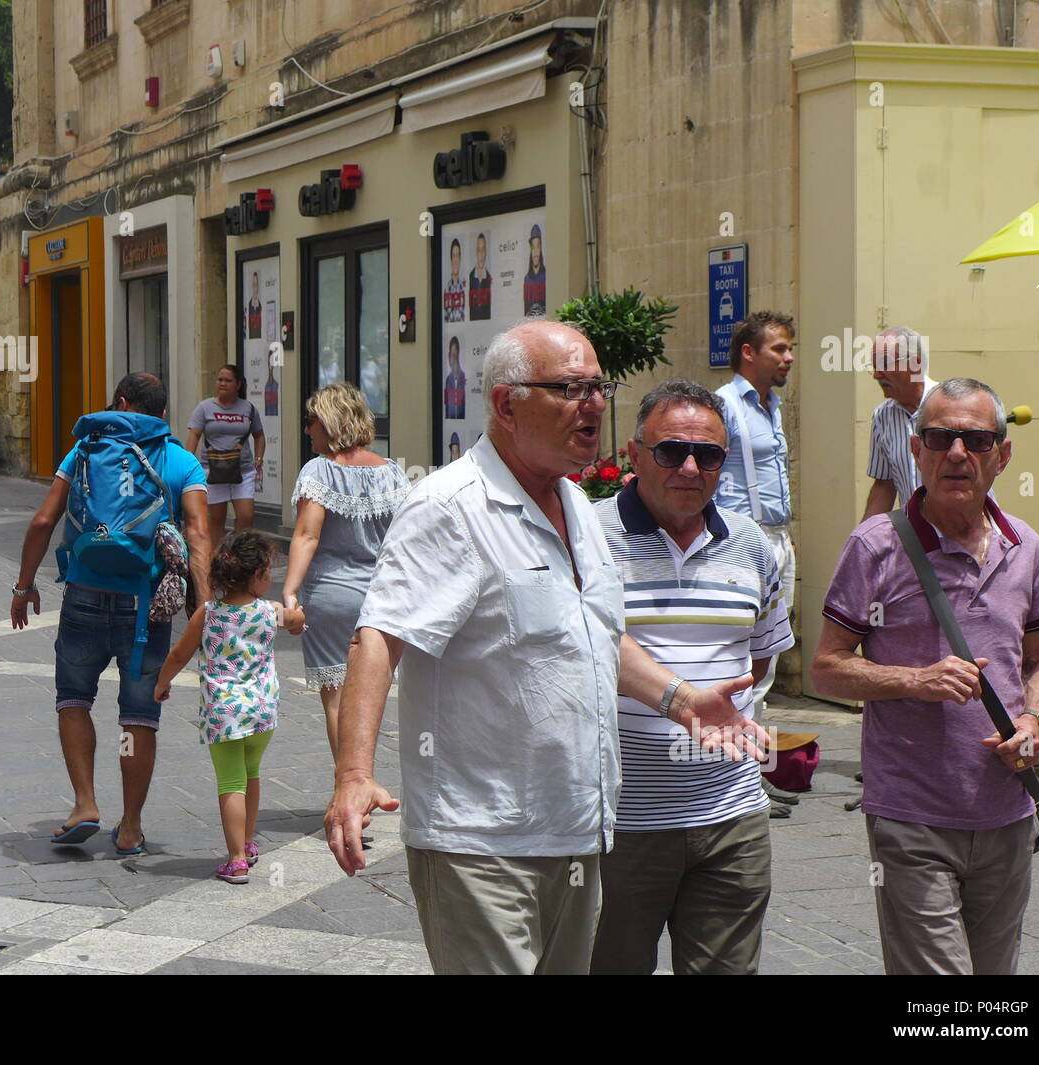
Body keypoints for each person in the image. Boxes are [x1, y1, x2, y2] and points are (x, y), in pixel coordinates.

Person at [324, 320, 768, 975]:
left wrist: (681, 699)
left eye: (598, 387)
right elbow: (379, 636)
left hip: (579, 834)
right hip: (480, 842)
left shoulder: (578, 507)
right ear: (507, 404)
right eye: (569, 388)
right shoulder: (451, 505)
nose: (593, 403)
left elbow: (594, 641)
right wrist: (353, 774)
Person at [811, 378, 1039, 976]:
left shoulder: (1025, 547)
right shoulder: (874, 546)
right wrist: (912, 680)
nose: (956, 453)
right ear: (916, 450)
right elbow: (826, 668)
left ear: (1002, 454)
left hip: (1006, 812)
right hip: (912, 815)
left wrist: (1031, 719)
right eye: (940, 437)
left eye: (975, 439)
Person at [589, 380, 793, 975]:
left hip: (731, 819)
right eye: (670, 451)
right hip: (619, 823)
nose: (689, 467)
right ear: (633, 454)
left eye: (707, 455)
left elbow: (758, 659)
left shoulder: (752, 545)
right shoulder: (589, 538)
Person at [10, 372, 212, 855]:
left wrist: (23, 586)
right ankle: (131, 827)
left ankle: (84, 803)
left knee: (74, 699)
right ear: (162, 411)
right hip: (146, 608)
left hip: (83, 592)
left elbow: (43, 520)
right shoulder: (181, 460)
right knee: (138, 715)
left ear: (121, 402)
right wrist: (205, 607)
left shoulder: (83, 451)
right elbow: (199, 533)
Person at [155, 532, 305, 884]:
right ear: (256, 579)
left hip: (224, 714)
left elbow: (179, 654)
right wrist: (298, 616)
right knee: (251, 773)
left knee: (231, 781)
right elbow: (296, 622)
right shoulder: (271, 612)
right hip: (263, 712)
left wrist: (162, 682)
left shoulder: (207, 615)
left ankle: (236, 859)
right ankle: (248, 843)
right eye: (268, 572)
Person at [281, 382, 410, 758]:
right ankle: (363, 778)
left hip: (331, 597)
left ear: (331, 422)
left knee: (336, 700)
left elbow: (307, 534)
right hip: (382, 598)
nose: (307, 430)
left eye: (312, 421)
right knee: (370, 699)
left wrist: (289, 592)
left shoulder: (319, 471)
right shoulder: (392, 472)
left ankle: (347, 783)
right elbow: (405, 538)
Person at [714, 312, 795, 725]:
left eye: (790, 349)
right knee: (739, 653)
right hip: (742, 541)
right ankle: (737, 753)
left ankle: (751, 755)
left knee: (768, 655)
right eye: (779, 349)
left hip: (778, 540)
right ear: (749, 353)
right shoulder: (724, 404)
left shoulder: (772, 407)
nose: (789, 357)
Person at [185, 364, 264, 547]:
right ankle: (217, 561)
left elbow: (259, 436)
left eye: (227, 380)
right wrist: (188, 462)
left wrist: (259, 459)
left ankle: (239, 555)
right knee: (216, 520)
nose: (222, 383)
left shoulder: (248, 408)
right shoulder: (204, 408)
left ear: (238, 384)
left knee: (246, 516)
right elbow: (194, 435)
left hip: (242, 471)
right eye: (220, 379)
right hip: (212, 471)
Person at [862, 326, 936, 519]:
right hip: (915, 538)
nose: (877, 375)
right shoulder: (882, 416)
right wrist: (861, 541)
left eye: (885, 364)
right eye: (874, 366)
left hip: (963, 535)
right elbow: (884, 486)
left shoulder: (952, 404)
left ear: (915, 364)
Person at [523, 224, 546, 316]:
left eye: (538, 246)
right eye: (533, 247)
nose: (535, 252)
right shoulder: (526, 279)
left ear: (541, 249)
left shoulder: (546, 276)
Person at [468, 232, 491, 321]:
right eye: (479, 250)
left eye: (483, 250)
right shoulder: (470, 277)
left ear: (486, 252)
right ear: (475, 252)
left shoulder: (489, 278)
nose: (481, 254)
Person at [443, 238, 466, 323]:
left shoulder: (464, 289)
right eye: (453, 256)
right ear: (451, 259)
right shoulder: (446, 290)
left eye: (457, 256)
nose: (455, 260)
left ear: (460, 259)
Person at [443, 336, 466, 420]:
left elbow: (462, 409)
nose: (452, 360)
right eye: (451, 355)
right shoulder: (448, 380)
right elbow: (447, 408)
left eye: (454, 355)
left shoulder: (463, 378)